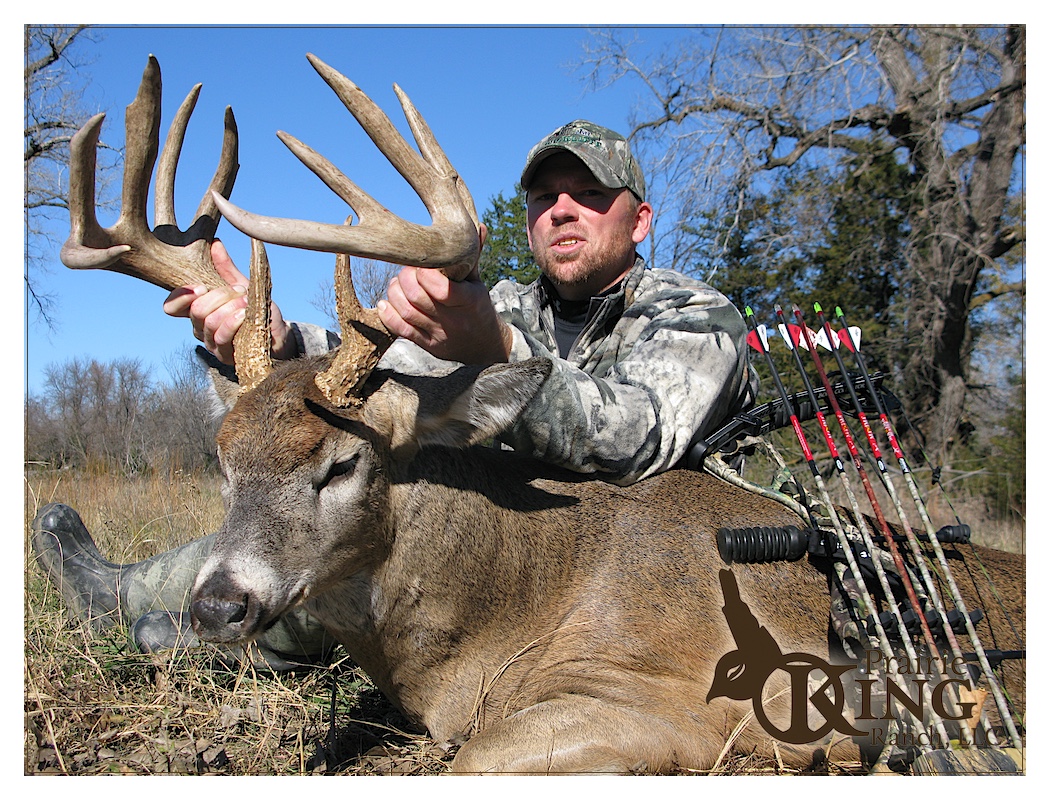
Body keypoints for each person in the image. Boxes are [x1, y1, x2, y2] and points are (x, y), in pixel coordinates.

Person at [32, 120, 758, 670]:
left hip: (655, 572)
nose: (564, 210)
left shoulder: (696, 315)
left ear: (641, 220)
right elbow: (373, 380)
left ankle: (231, 639)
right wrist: (277, 341)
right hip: (520, 545)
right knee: (353, 491)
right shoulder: (500, 305)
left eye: (591, 195)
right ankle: (122, 592)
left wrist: (494, 349)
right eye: (545, 198)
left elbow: (642, 438)